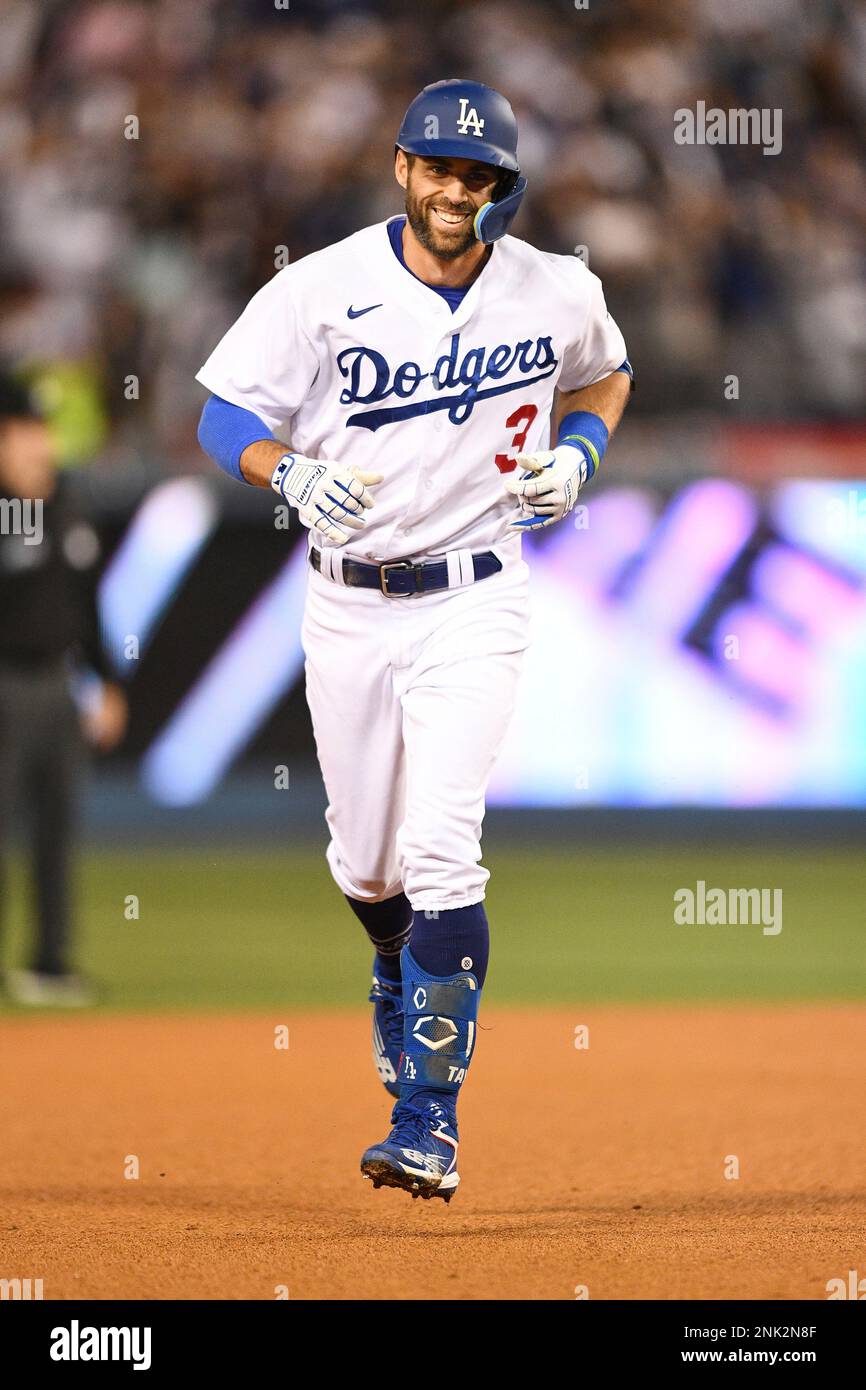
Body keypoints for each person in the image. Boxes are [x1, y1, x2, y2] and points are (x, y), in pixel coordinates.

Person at [196, 80, 632, 1201]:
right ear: (400, 167)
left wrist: (580, 452)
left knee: (441, 849)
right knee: (363, 862)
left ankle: (425, 1123)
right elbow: (222, 413)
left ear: (503, 185)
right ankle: (394, 965)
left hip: (476, 597)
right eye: (436, 168)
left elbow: (604, 372)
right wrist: (281, 467)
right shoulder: (322, 286)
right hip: (344, 599)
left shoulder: (553, 286)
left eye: (475, 175)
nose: (453, 190)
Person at [0, 373, 127, 1006]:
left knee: (56, 830)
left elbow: (88, 608)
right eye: (25, 431)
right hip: (6, 682)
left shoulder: (67, 507)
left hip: (56, 684)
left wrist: (106, 682)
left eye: (41, 431)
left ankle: (49, 964)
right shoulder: (5, 511)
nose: (38, 444)